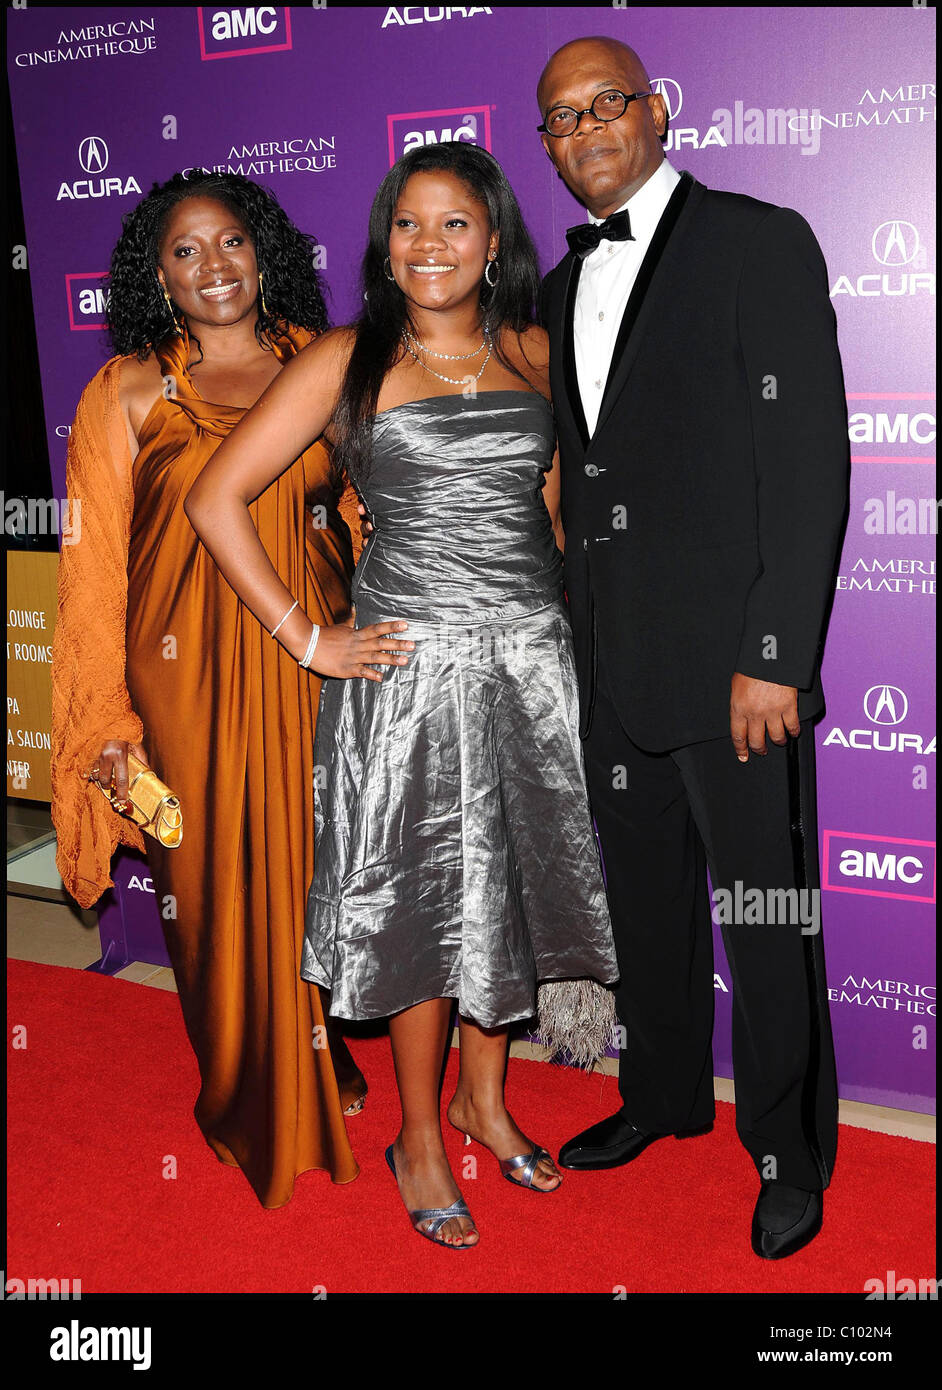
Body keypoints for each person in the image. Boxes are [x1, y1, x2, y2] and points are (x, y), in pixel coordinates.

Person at [185, 142, 619, 1249]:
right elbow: (215, 495)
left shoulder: (532, 349)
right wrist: (307, 637)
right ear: (385, 244)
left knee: (511, 895)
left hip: (526, 666)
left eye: (455, 224)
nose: (430, 246)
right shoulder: (348, 357)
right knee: (427, 903)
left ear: (494, 240)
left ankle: (486, 1098)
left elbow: (552, 515)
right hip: (407, 679)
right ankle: (420, 1133)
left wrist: (563, 646)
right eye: (408, 225)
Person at [535, 37, 849, 1259]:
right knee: (643, 914)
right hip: (613, 665)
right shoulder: (555, 293)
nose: (585, 131)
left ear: (658, 113)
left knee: (764, 920)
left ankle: (787, 1151)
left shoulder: (758, 240)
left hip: (738, 678)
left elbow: (810, 460)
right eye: (559, 120)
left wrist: (776, 651)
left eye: (605, 104)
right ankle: (659, 1097)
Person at [50, 171, 369, 1210]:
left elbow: (369, 516)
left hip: (312, 653)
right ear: (157, 276)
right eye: (186, 252)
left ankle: (325, 1053)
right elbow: (94, 570)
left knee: (319, 868)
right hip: (180, 680)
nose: (214, 267)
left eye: (231, 242)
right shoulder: (130, 389)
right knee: (216, 886)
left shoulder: (324, 366)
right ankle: (242, 1087)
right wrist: (106, 716)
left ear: (264, 251)